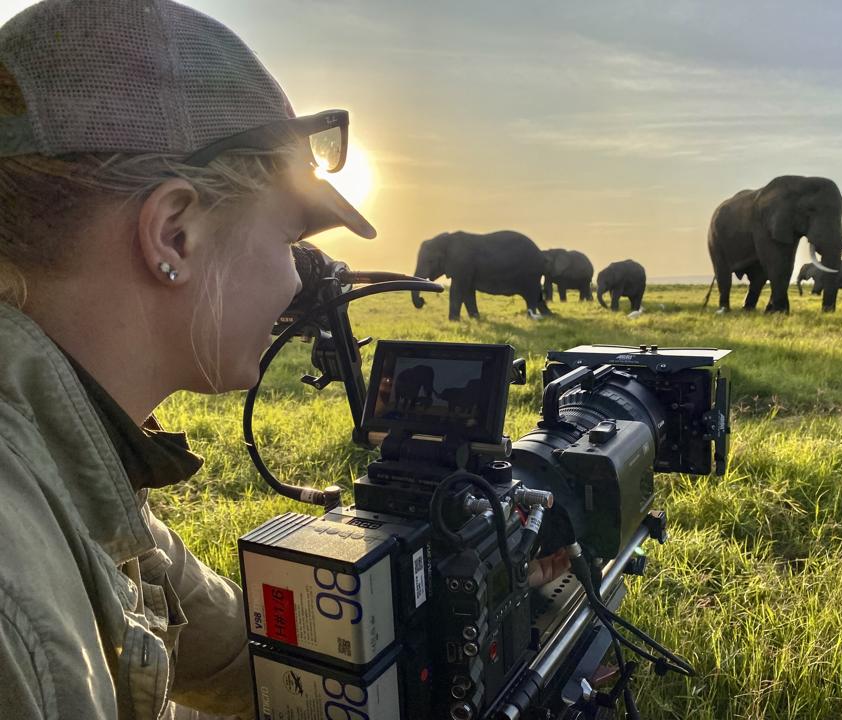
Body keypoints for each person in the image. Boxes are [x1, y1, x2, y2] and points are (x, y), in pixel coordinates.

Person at [0, 1, 569, 718]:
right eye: (286, 237)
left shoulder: (71, 458)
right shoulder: (15, 602)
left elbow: (249, 660)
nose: (298, 281)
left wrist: (485, 586)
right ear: (173, 234)